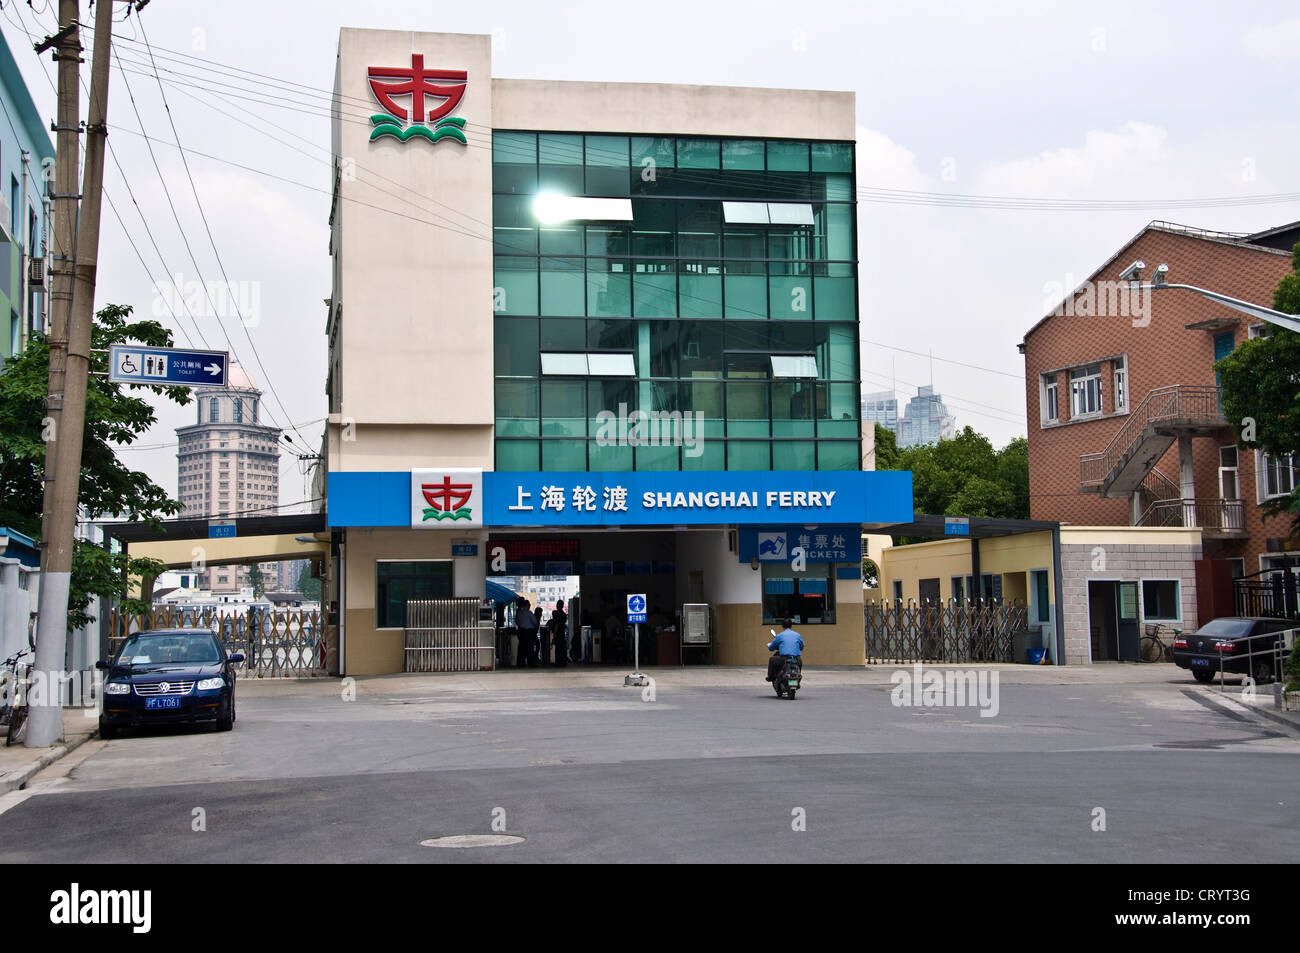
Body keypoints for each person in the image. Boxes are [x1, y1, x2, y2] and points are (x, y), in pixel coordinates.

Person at [515, 599, 538, 668]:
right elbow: (535, 622)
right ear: (526, 605)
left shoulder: (519, 613)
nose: (530, 606)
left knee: (521, 648)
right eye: (529, 604)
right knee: (530, 647)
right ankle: (531, 662)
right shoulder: (529, 613)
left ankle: (520, 662)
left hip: (521, 631)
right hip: (528, 632)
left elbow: (517, 622)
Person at [551, 600, 568, 666]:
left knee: (558, 648)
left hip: (558, 633)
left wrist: (554, 634)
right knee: (562, 647)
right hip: (562, 632)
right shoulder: (564, 615)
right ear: (562, 606)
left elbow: (556, 624)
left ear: (557, 605)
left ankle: (558, 662)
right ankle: (563, 661)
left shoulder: (556, 613)